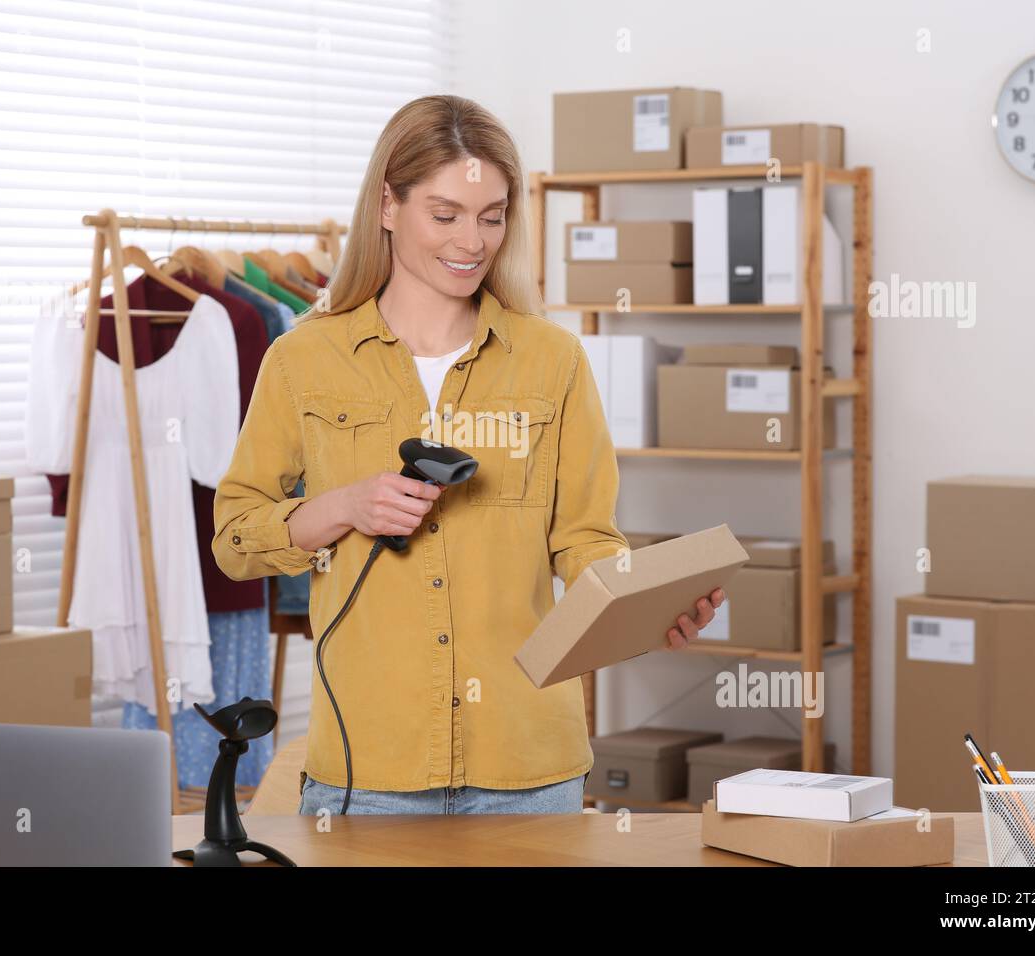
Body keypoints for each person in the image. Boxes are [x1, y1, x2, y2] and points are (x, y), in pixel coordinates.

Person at [213, 94, 723, 815]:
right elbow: (236, 539)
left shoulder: (554, 360)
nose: (472, 241)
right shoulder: (303, 359)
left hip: (528, 767)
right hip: (369, 771)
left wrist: (646, 606)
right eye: (445, 215)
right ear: (388, 205)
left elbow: (584, 540)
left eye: (491, 217)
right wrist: (341, 506)